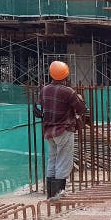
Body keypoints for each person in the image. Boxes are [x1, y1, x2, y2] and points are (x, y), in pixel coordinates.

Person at [34, 61, 88, 200]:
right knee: (63, 161)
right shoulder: (68, 91)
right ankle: (58, 194)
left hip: (49, 130)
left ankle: (50, 194)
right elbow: (82, 109)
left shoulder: (44, 89)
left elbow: (39, 107)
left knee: (52, 159)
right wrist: (80, 98)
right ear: (66, 76)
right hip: (63, 129)